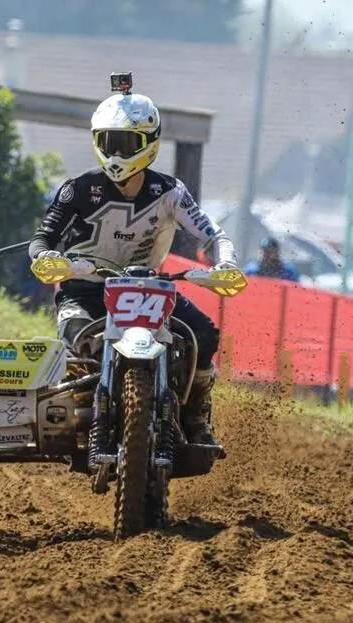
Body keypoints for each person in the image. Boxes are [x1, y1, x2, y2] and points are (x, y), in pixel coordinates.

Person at [28, 77, 240, 450]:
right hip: (85, 289)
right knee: (74, 340)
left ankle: (195, 414)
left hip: (148, 289)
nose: (116, 154)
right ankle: (83, 408)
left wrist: (226, 262)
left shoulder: (170, 192)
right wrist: (46, 258)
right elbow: (43, 237)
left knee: (204, 334)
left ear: (149, 142)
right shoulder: (77, 188)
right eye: (108, 143)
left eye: (125, 144)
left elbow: (213, 234)